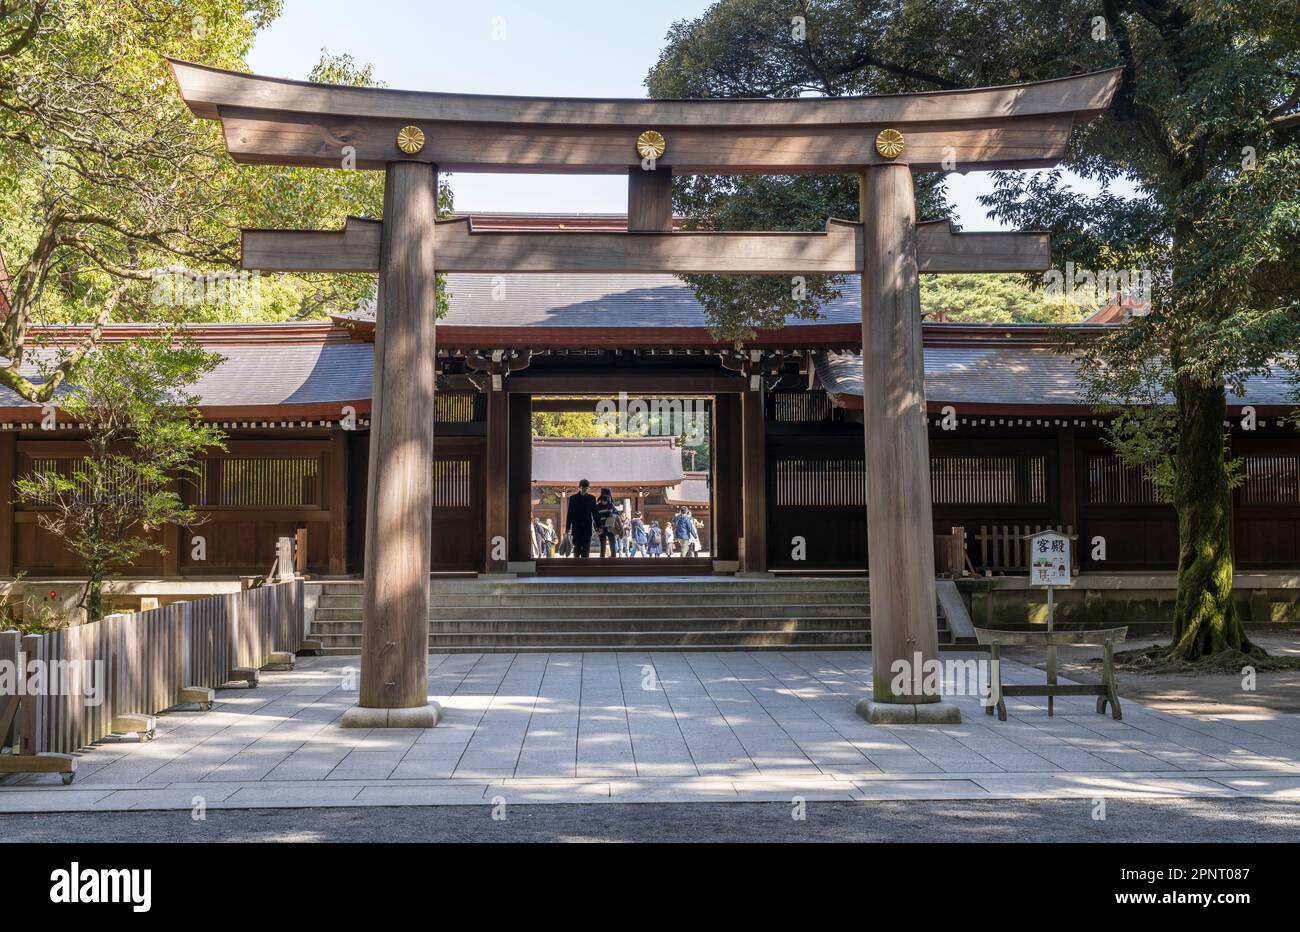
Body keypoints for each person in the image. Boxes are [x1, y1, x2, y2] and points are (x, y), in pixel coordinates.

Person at [566, 479, 598, 560]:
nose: (584, 489)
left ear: (588, 488)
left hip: (587, 527)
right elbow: (570, 513)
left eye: (586, 488)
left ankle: (585, 569)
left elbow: (595, 514)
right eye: (583, 487)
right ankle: (576, 569)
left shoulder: (592, 498)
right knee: (577, 549)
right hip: (576, 527)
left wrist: (597, 525)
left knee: (586, 550)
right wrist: (568, 527)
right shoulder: (573, 498)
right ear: (579, 487)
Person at [594, 488, 618, 558]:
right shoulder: (597, 506)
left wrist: (612, 515)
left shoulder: (611, 505)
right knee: (603, 547)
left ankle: (613, 562)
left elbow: (617, 515)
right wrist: (597, 528)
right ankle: (603, 562)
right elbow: (595, 518)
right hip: (601, 528)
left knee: (612, 546)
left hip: (610, 528)